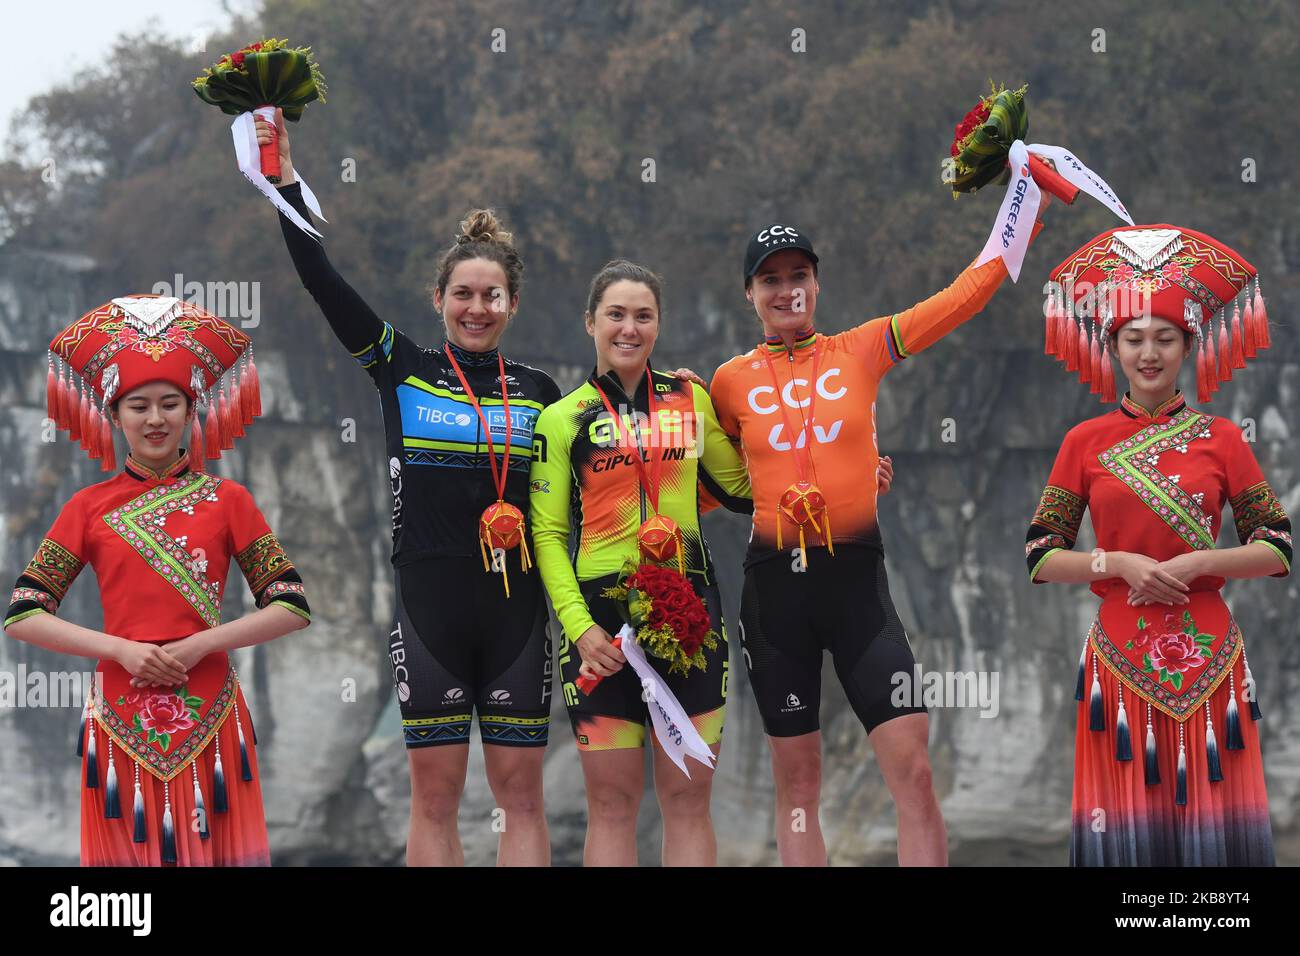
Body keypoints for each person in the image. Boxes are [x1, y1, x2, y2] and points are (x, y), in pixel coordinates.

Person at [256, 109, 560, 866]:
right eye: (463, 293)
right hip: (429, 610)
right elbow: (321, 281)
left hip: (519, 612)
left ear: (512, 305)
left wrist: (674, 397)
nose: (477, 308)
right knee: (434, 804)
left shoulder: (542, 391)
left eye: (492, 296)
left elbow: (602, 480)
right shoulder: (403, 368)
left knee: (522, 801)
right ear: (438, 299)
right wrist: (285, 180)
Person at [708, 202, 1050, 866]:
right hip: (774, 597)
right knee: (799, 784)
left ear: (816, 284)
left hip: (859, 590)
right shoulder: (728, 382)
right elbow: (714, 488)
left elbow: (962, 297)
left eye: (798, 274)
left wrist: (1025, 206)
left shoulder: (861, 347)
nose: (786, 289)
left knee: (913, 768)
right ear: (750, 293)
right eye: (770, 278)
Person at [4, 294, 310, 866]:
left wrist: (200, 644)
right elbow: (24, 613)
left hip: (212, 709)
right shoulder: (86, 508)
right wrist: (119, 649)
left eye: (171, 404)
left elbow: (291, 606)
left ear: (192, 413)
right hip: (120, 713)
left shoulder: (229, 500)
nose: (155, 419)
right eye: (138, 406)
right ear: (113, 416)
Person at [1027, 223, 1287, 865]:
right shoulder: (1082, 442)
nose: (1150, 352)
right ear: (1112, 347)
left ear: (1187, 346)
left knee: (1215, 829)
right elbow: (1040, 555)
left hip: (1211, 658)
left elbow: (1277, 547)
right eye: (1134, 339)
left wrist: (1203, 561)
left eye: (1165, 339)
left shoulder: (1223, 438)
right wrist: (1114, 562)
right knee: (1128, 830)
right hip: (1118, 661)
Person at [529, 259, 754, 866]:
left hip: (690, 611)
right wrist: (579, 627)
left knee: (688, 797)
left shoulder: (690, 398)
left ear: (659, 325)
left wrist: (854, 469)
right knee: (610, 802)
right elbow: (548, 534)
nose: (629, 328)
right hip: (601, 624)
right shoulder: (561, 419)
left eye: (643, 316)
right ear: (591, 323)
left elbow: (747, 488)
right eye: (616, 315)